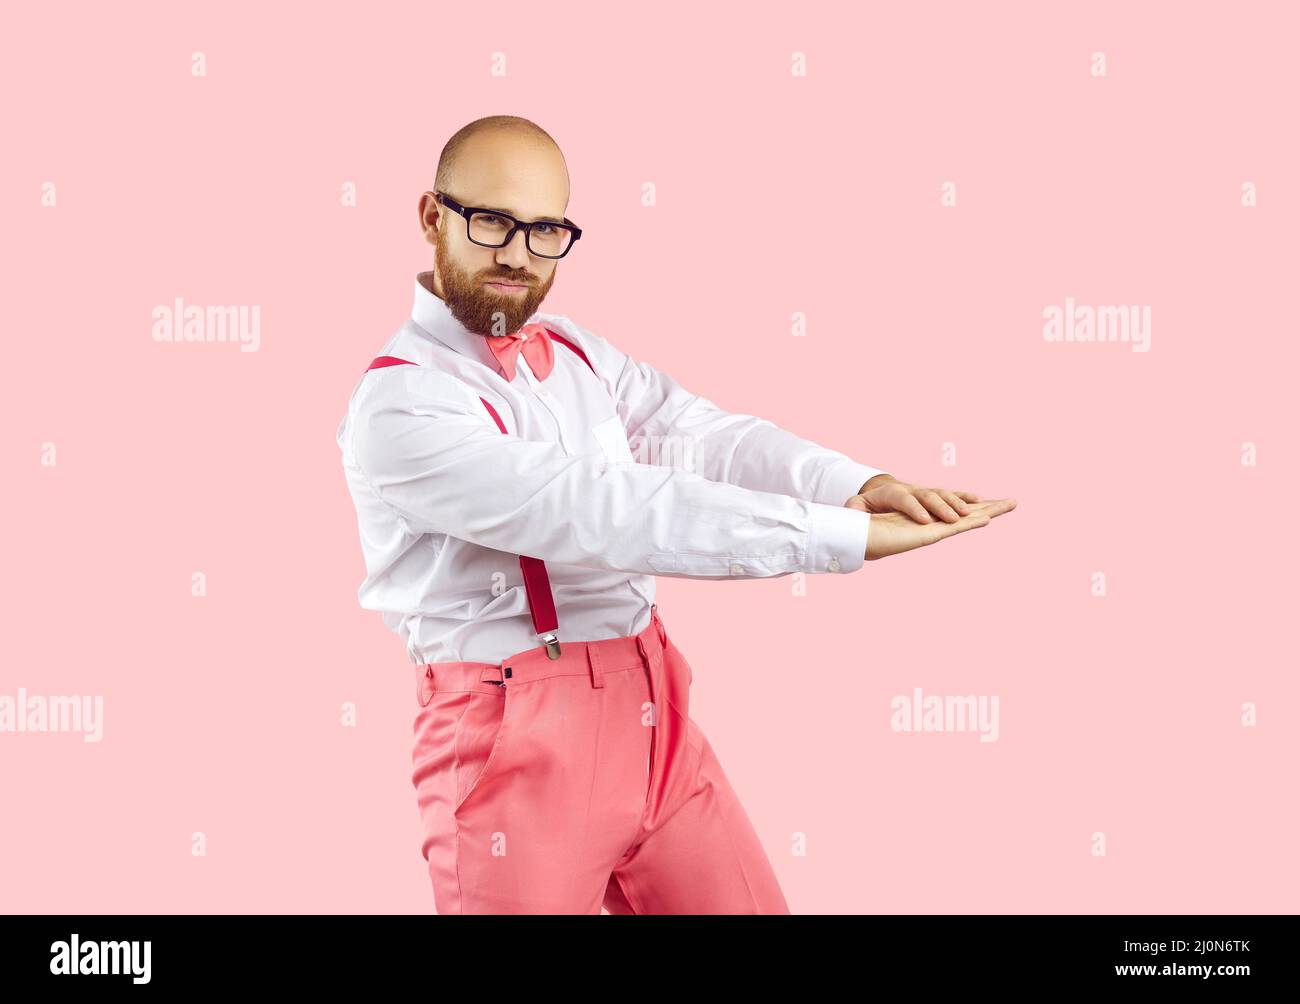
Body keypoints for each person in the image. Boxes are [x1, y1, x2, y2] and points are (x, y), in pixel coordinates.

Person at [336, 114, 1017, 915]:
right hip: (508, 734)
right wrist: (835, 540)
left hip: (653, 703)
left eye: (545, 230)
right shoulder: (400, 405)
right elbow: (601, 510)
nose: (519, 254)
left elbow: (696, 435)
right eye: (491, 223)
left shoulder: (580, 353)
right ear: (431, 217)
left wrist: (853, 485)